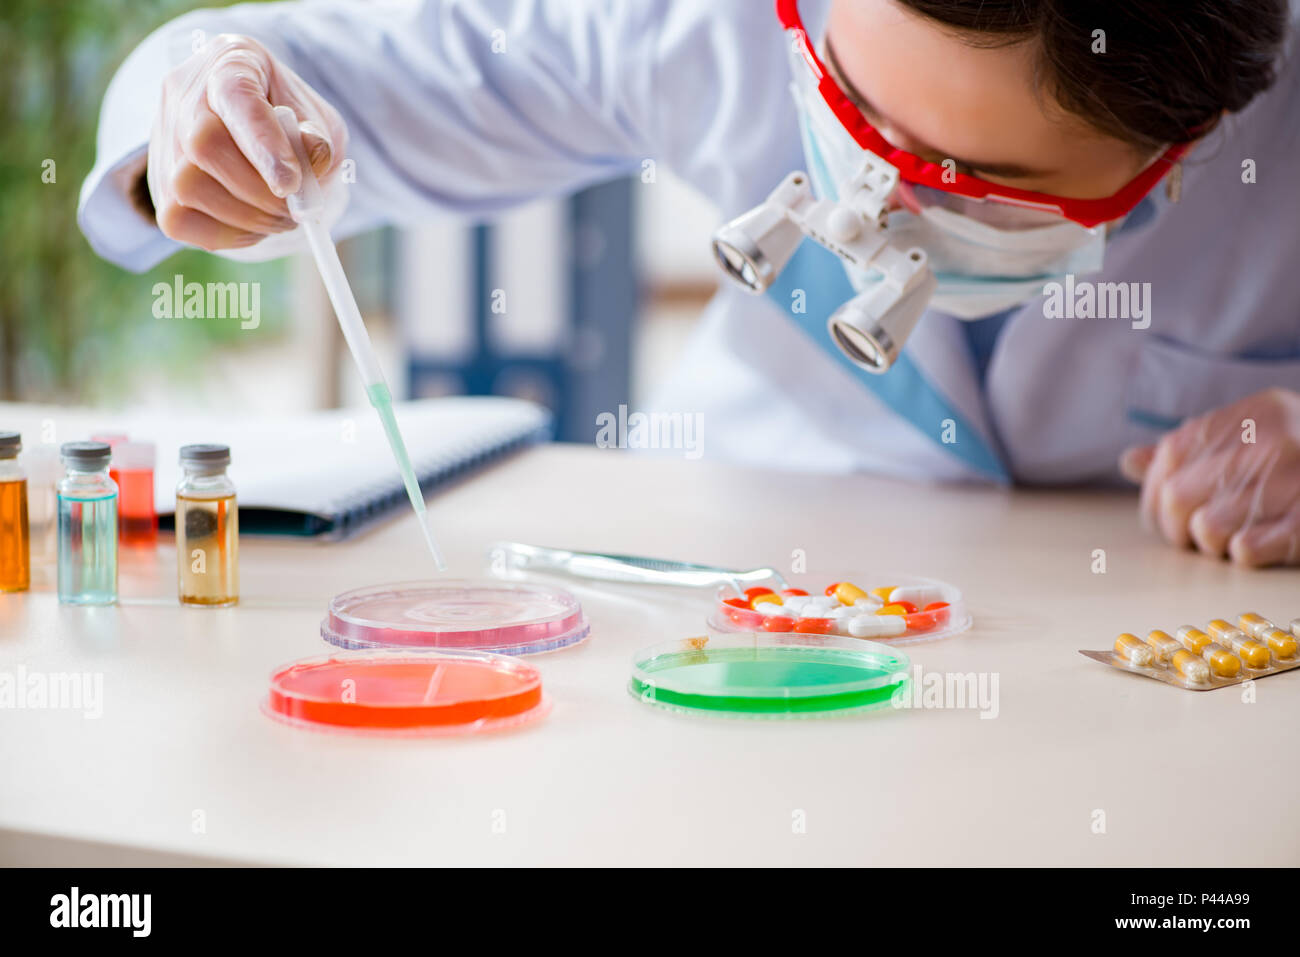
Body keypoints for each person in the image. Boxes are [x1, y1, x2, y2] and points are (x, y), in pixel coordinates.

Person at [79, 0, 1300, 565]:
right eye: (851, 114)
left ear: (1187, 144)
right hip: (746, 596)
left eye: (980, 184)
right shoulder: (702, 25)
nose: (876, 210)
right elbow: (330, 74)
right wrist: (210, 111)